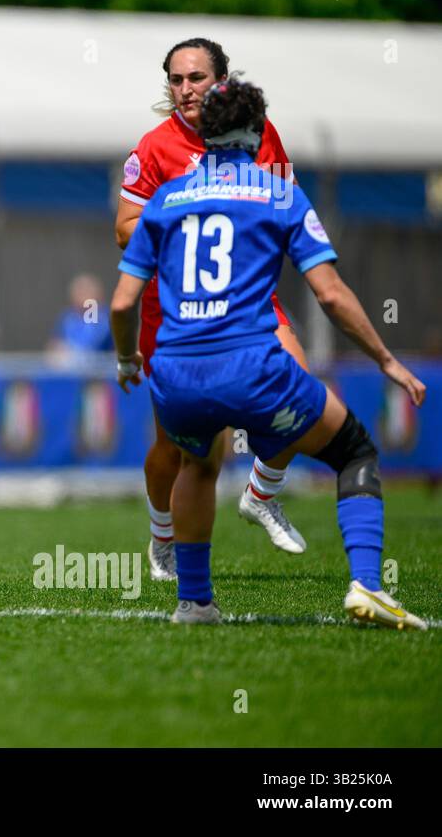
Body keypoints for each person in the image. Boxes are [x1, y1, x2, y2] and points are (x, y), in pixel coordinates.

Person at [111, 75, 427, 629]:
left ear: (204, 134)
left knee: (198, 466)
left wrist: (126, 360)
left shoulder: (165, 198)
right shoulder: (278, 191)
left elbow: (120, 304)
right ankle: (368, 587)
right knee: (353, 451)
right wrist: (385, 359)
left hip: (175, 372)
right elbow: (329, 293)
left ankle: (195, 604)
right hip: (251, 364)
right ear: (258, 132)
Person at [114, 37, 309, 579]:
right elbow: (123, 229)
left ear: (221, 80)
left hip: (246, 297)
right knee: (180, 447)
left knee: (301, 386)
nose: (184, 90)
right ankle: (162, 539)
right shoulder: (155, 147)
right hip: (175, 309)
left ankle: (261, 493)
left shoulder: (261, 135)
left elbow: (280, 209)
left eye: (195, 78)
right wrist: (188, 223)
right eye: (176, 80)